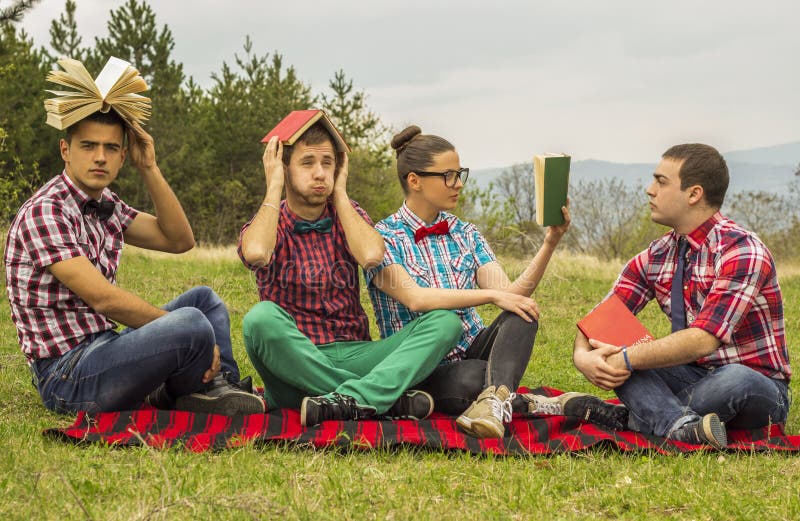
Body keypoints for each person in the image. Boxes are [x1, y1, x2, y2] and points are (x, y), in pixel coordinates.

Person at [4, 109, 265, 416]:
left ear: (123, 156)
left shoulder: (105, 204)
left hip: (103, 347)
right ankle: (201, 387)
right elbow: (104, 299)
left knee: (204, 301)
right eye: (88, 146)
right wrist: (188, 332)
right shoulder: (46, 211)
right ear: (66, 150)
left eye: (111, 148)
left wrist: (150, 167)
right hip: (67, 375)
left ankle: (219, 387)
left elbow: (179, 240)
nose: (100, 157)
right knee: (192, 322)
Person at [239, 120, 463, 427]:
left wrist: (340, 192)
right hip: (295, 365)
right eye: (307, 163)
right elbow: (255, 254)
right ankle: (380, 399)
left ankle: (350, 400)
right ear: (284, 167)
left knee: (445, 321)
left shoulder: (347, 213)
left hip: (359, 355)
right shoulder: (270, 219)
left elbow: (371, 255)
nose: (320, 173)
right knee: (260, 319)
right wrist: (273, 186)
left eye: (327, 163)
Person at [568, 143, 791, 449]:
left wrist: (626, 359)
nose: (650, 190)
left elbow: (703, 339)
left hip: (758, 387)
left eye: (661, 182)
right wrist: (584, 357)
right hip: (690, 377)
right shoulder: (657, 254)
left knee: (735, 378)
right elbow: (600, 320)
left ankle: (642, 418)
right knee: (618, 351)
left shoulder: (742, 250)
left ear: (694, 194)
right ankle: (681, 426)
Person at [365, 126, 571, 439]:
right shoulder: (382, 238)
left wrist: (550, 242)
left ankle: (493, 402)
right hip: (424, 367)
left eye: (460, 173)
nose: (458, 184)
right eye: (448, 175)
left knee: (522, 311)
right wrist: (489, 296)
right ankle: (514, 399)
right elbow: (416, 299)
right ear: (414, 180)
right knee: (474, 377)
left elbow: (510, 294)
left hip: (475, 350)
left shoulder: (466, 233)